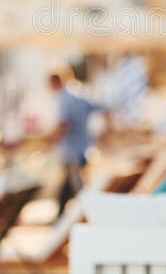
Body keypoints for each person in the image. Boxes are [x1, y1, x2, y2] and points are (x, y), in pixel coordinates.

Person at [47, 70, 100, 219]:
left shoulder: (64, 99)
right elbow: (99, 106)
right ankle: (61, 214)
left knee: (77, 186)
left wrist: (51, 139)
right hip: (84, 147)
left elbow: (63, 124)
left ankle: (89, 214)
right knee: (71, 183)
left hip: (72, 149)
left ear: (54, 81)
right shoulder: (79, 94)